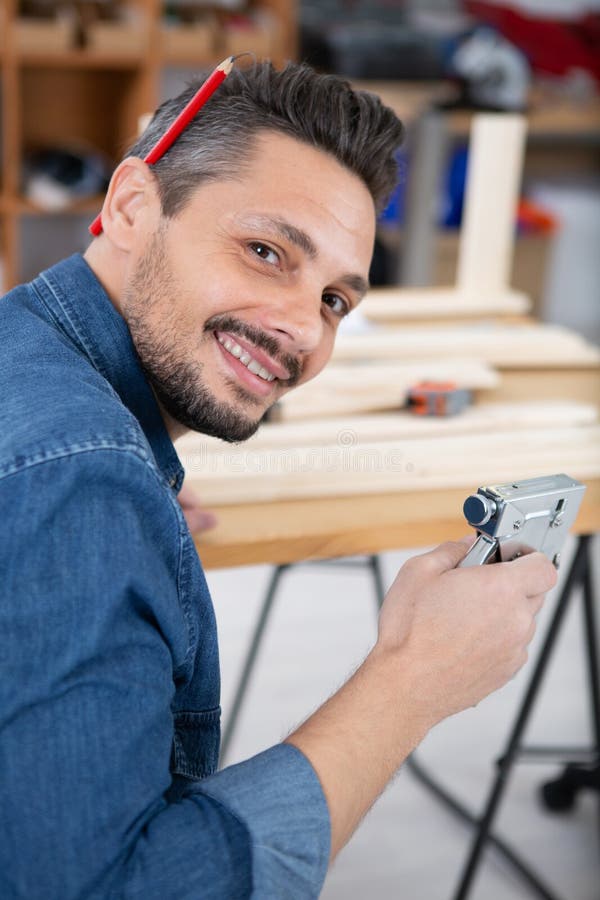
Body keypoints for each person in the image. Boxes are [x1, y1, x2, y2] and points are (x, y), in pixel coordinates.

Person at [0, 61, 557, 899]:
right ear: (129, 206)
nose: (303, 328)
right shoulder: (83, 481)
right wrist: (407, 683)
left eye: (336, 299)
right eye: (265, 251)